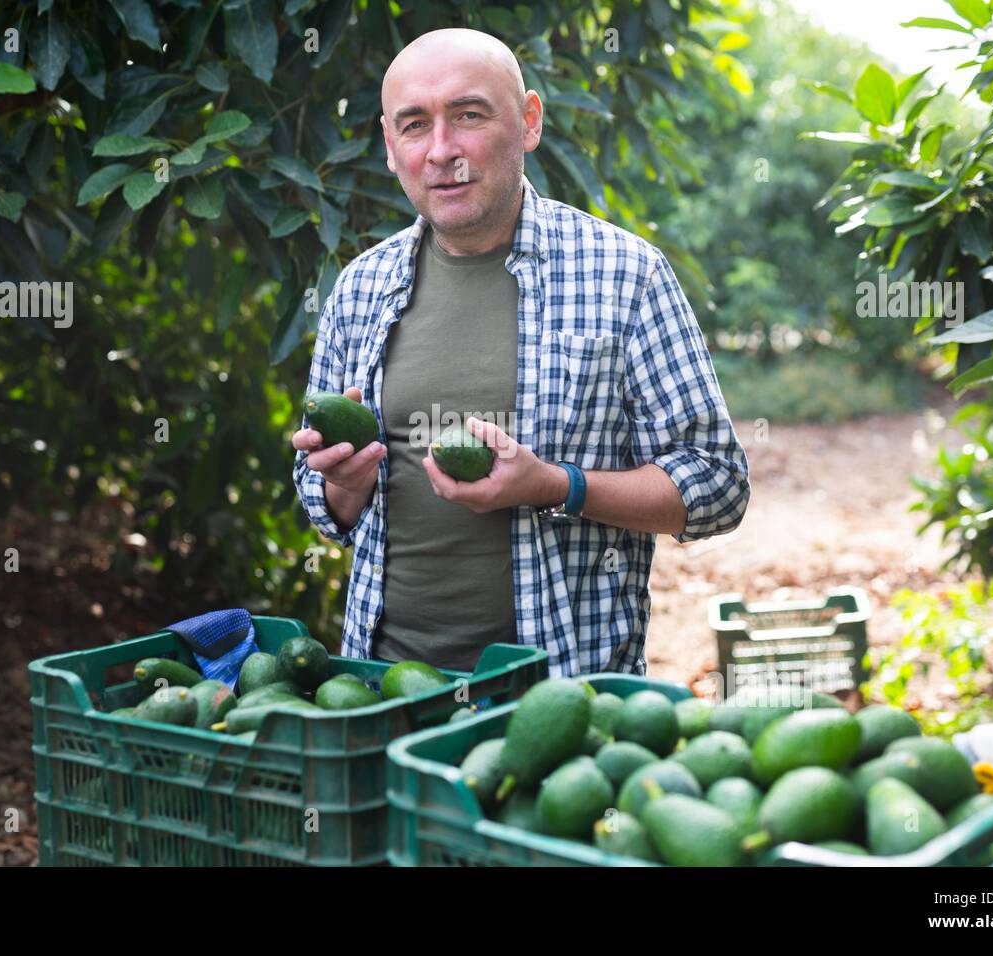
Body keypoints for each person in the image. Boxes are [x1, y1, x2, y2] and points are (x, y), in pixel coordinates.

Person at [291, 28, 749, 677]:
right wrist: (345, 483)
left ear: (529, 121)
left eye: (469, 115)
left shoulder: (626, 275)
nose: (442, 151)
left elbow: (717, 484)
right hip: (385, 689)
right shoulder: (360, 289)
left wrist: (557, 486)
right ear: (391, 147)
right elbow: (327, 513)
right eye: (415, 125)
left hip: (563, 697)